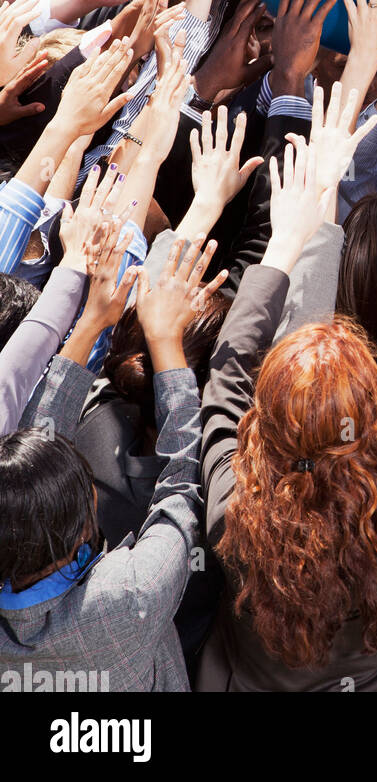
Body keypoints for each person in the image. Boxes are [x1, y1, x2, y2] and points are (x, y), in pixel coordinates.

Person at [198, 95, 377, 691]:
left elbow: (224, 380)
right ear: (374, 416)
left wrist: (292, 237)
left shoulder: (232, 509)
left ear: (262, 423)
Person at [0, 233, 222, 691]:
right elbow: (181, 482)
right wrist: (164, 340)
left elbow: (37, 456)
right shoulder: (128, 595)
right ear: (86, 526)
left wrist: (91, 323)